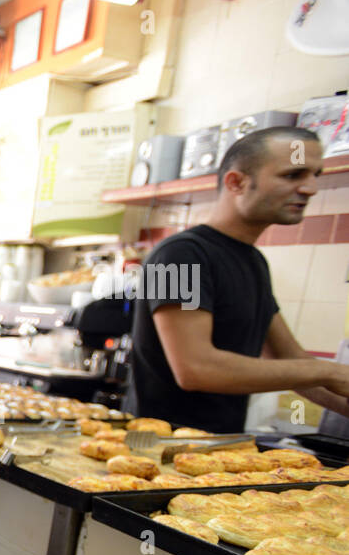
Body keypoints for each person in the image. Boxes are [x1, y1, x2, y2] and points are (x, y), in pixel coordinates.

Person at [126, 126, 349, 431]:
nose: (310, 188)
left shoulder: (254, 261)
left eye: (315, 176)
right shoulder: (180, 256)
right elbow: (196, 368)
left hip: (219, 454)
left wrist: (332, 382)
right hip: (159, 455)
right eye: (293, 175)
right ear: (237, 182)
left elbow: (288, 359)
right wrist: (330, 372)